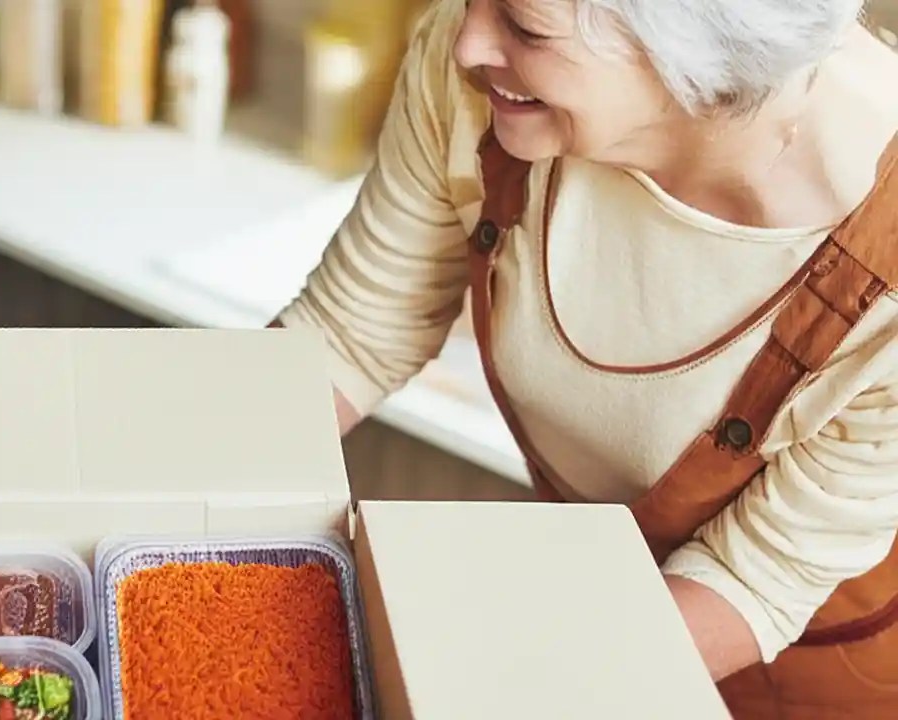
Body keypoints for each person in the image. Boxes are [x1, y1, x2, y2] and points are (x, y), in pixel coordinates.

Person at [271, 0, 898, 716]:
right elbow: (351, 333)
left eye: (527, 28)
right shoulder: (484, 84)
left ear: (693, 48)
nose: (469, 42)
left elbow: (753, 578)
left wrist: (480, 692)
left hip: (813, 674)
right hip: (598, 612)